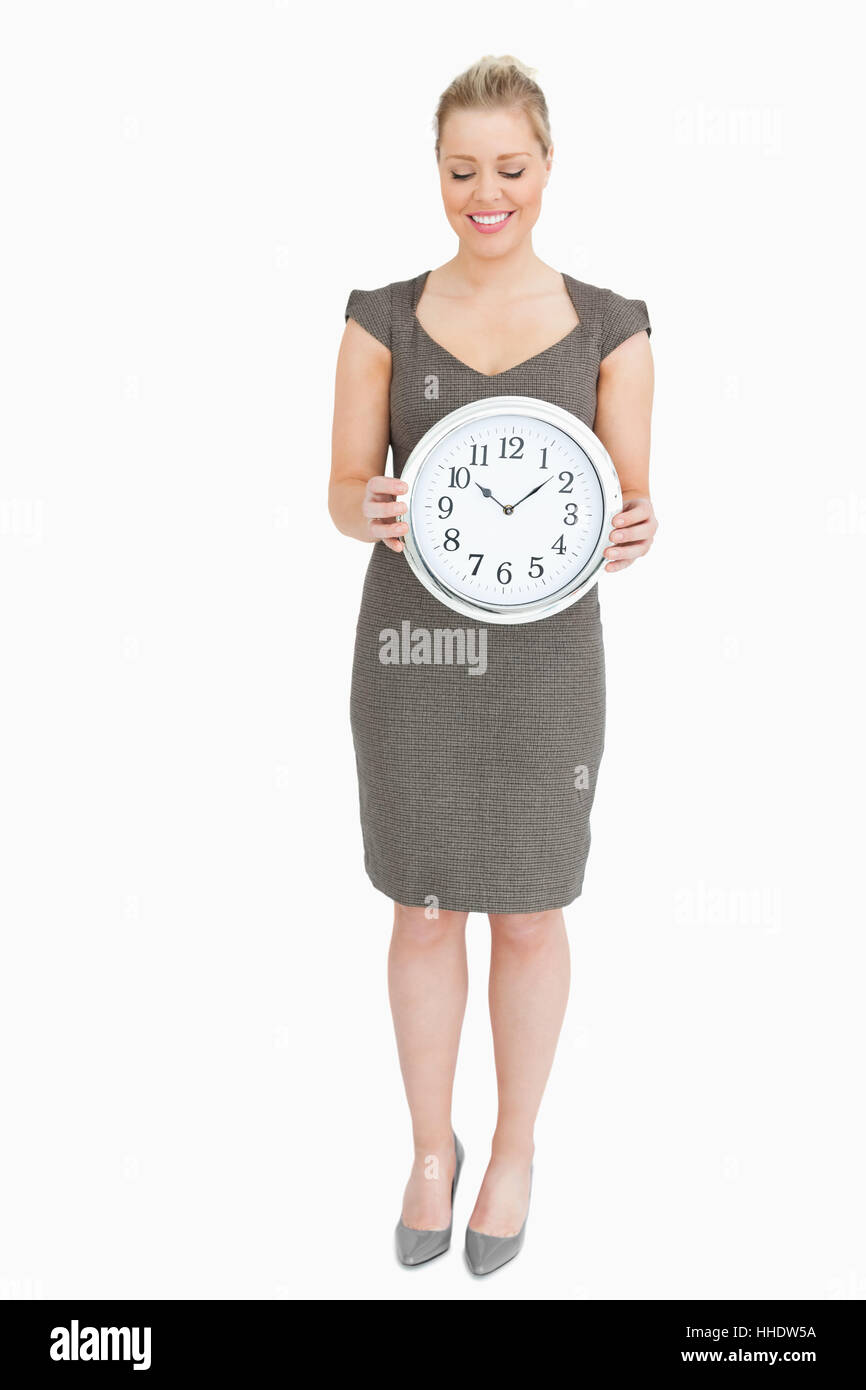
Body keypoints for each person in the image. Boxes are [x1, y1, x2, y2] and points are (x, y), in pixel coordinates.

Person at [328, 54, 656, 1275]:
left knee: (527, 913)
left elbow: (625, 504)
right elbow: (335, 488)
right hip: (413, 649)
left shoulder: (614, 329)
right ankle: (429, 1147)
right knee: (422, 912)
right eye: (462, 169)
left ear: (545, 168)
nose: (485, 192)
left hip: (546, 666)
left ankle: (514, 1148)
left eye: (508, 168)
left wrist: (635, 526)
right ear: (437, 171)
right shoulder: (382, 316)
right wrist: (363, 506)